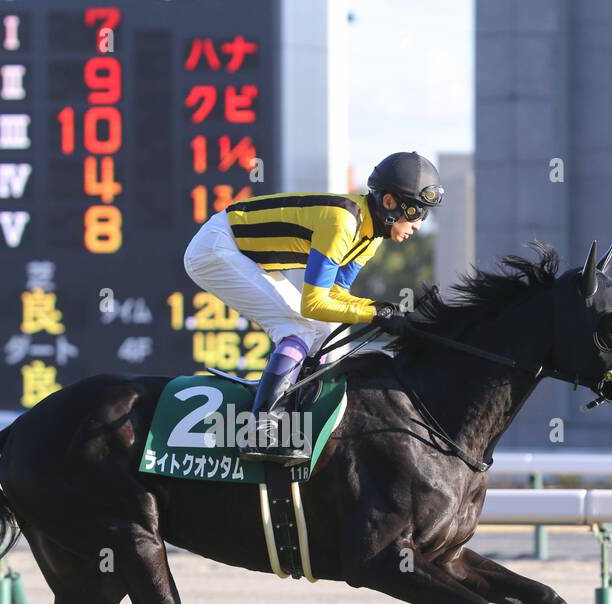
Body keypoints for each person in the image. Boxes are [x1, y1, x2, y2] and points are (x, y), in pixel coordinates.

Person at [183, 151, 444, 464]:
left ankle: (297, 416)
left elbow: (336, 296)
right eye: (417, 212)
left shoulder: (370, 235)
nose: (419, 224)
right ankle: (263, 426)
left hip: (242, 252)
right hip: (215, 248)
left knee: (324, 330)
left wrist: (384, 310)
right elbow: (314, 303)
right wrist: (374, 312)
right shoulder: (343, 223)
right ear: (390, 203)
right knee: (297, 326)